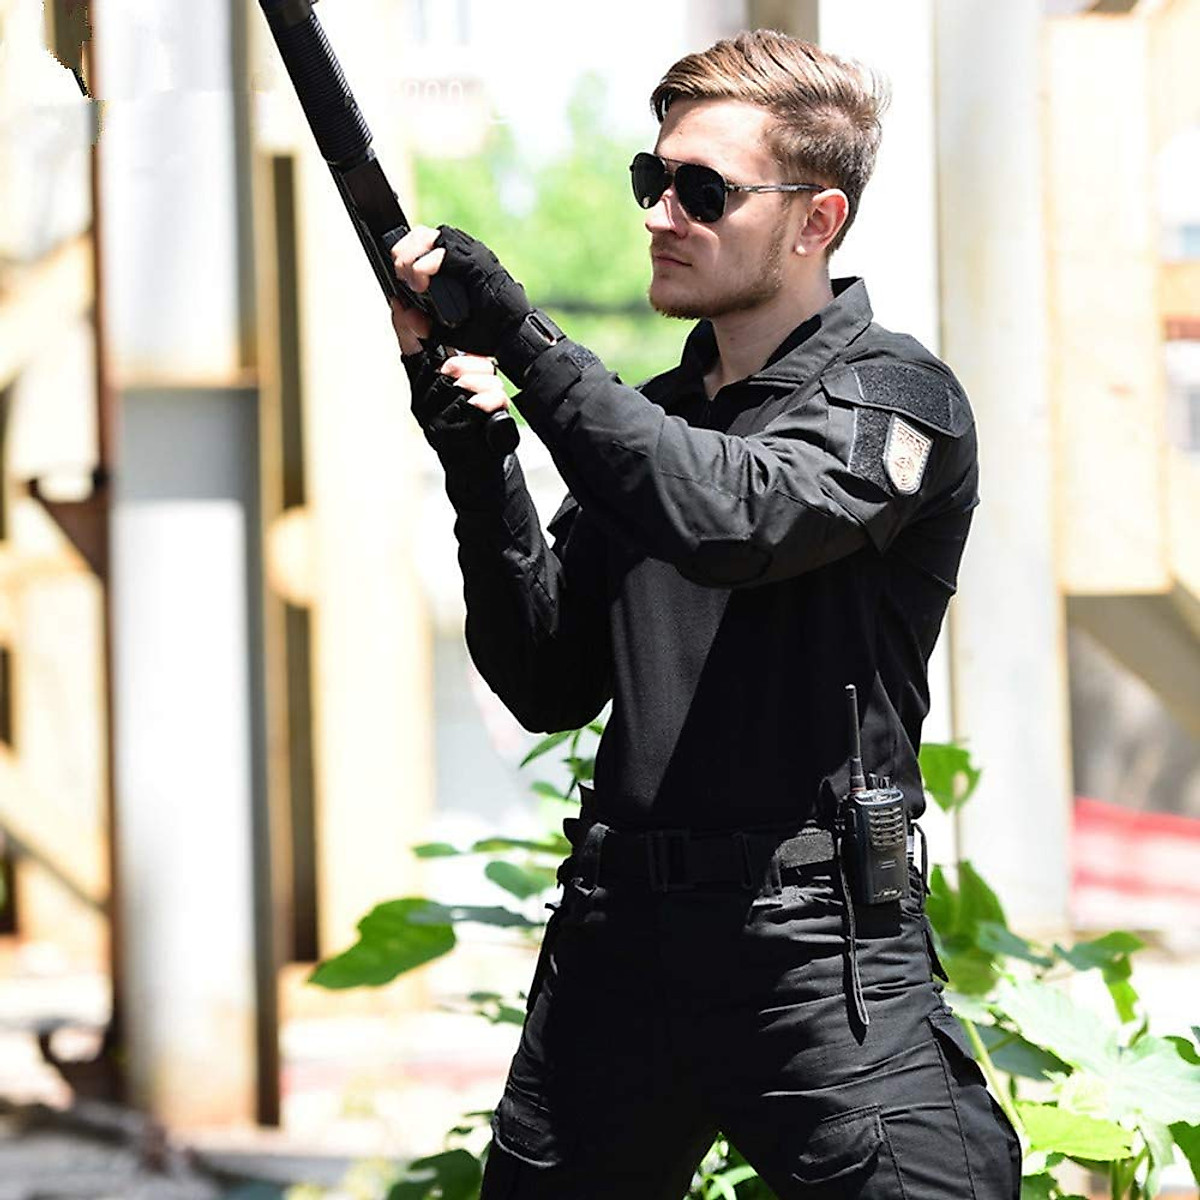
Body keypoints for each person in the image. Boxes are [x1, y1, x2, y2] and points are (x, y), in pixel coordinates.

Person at [389, 29, 1021, 1200]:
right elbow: (548, 677)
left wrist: (524, 339)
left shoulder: (898, 402)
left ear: (816, 220)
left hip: (815, 948)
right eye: (653, 179)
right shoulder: (658, 423)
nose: (660, 214)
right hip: (620, 935)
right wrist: (481, 463)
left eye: (702, 190)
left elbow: (736, 518)